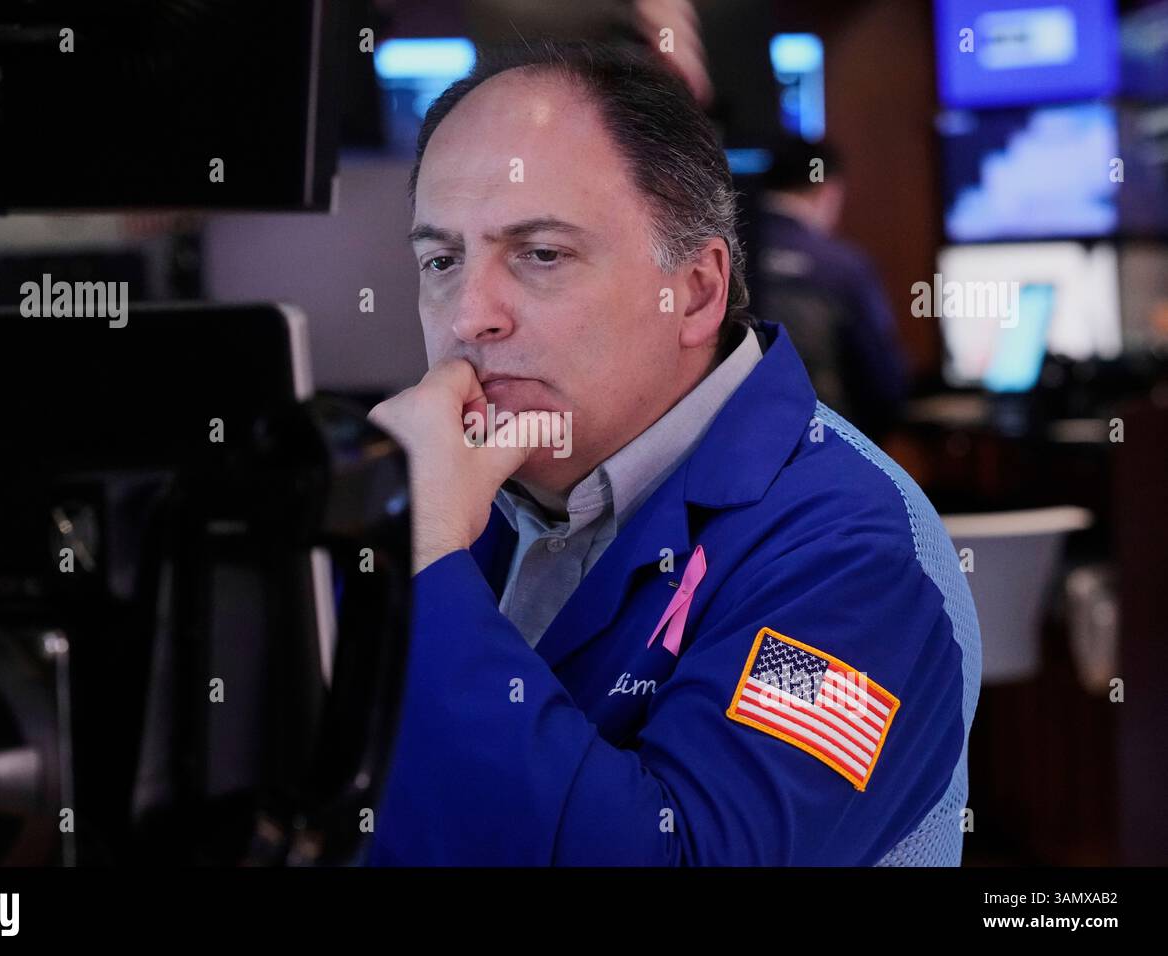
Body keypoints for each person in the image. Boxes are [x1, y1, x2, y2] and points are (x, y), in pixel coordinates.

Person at [364, 40, 980, 865]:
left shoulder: (855, 554)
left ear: (694, 291)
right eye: (441, 260)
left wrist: (428, 566)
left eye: (541, 254)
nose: (469, 313)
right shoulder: (468, 486)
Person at [757, 138, 911, 439]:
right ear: (828, 191)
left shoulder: (725, 256)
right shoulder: (843, 267)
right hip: (824, 447)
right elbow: (885, 384)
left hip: (733, 450)